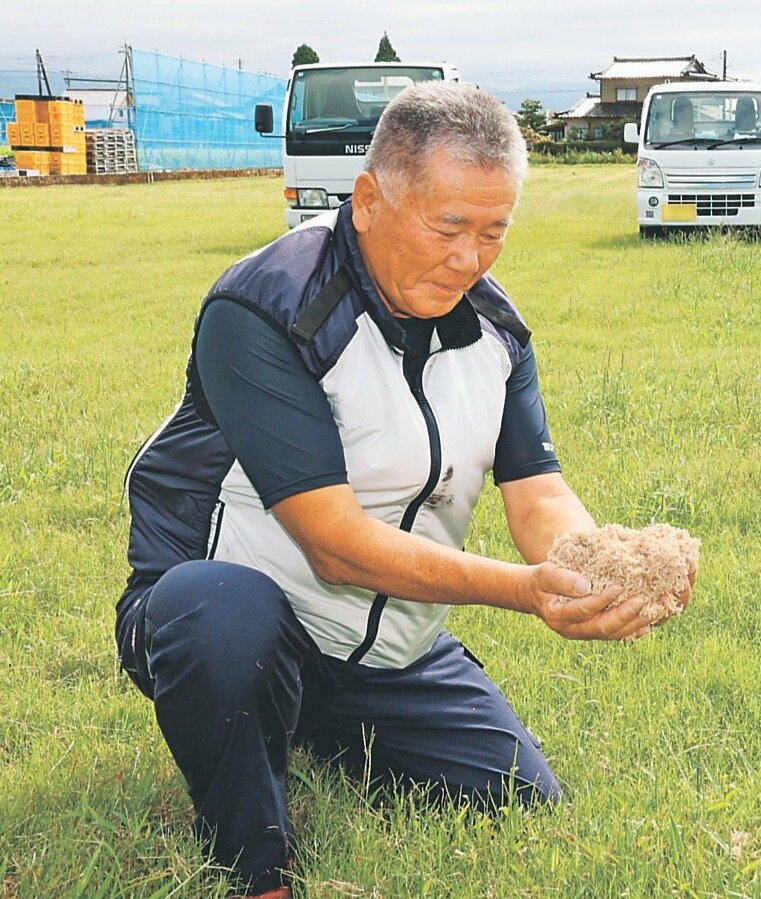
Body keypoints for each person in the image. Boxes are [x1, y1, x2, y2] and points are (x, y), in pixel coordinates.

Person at [116, 81, 692, 899]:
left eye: (495, 232)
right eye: (448, 226)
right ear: (369, 201)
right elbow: (334, 543)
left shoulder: (494, 329)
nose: (469, 258)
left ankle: (307, 723)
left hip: (387, 652)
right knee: (224, 617)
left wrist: (599, 566)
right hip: (221, 617)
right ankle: (255, 861)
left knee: (519, 796)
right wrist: (526, 591)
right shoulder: (264, 307)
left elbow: (538, 494)